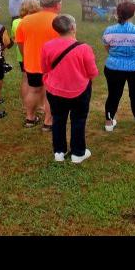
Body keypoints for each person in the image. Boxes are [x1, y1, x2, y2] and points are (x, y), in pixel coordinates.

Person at [42, 14, 99, 163]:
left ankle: (59, 152)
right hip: (80, 90)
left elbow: (45, 68)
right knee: (78, 119)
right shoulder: (84, 48)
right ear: (73, 27)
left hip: (55, 90)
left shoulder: (47, 46)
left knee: (58, 119)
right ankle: (78, 153)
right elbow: (92, 72)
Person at [102, 1, 135, 135]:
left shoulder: (109, 30)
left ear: (118, 13)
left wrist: (116, 57)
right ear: (133, 13)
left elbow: (107, 48)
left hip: (113, 68)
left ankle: (109, 123)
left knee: (113, 95)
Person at [15, 0, 63, 131]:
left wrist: (27, 57)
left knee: (33, 90)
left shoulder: (26, 20)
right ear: (57, 5)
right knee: (50, 93)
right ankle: (48, 122)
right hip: (53, 64)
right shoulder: (60, 21)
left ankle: (30, 118)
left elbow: (20, 43)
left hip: (32, 63)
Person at [13, 0, 42, 110]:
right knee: (38, 84)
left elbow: (14, 37)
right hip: (33, 53)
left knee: (25, 78)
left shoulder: (16, 22)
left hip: (21, 53)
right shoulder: (35, 22)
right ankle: (38, 104)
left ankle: (25, 104)